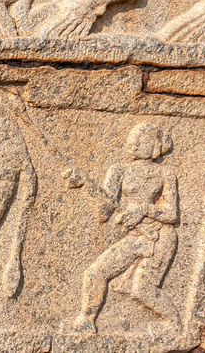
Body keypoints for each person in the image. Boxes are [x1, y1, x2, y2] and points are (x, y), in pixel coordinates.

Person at [73, 123, 180, 333]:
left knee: (143, 289)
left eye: (144, 140)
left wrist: (143, 209)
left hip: (159, 237)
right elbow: (104, 211)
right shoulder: (119, 170)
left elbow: (172, 214)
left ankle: (174, 324)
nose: (136, 143)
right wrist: (85, 184)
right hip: (136, 236)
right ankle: (85, 321)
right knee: (95, 273)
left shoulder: (165, 173)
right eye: (134, 138)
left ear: (157, 147)